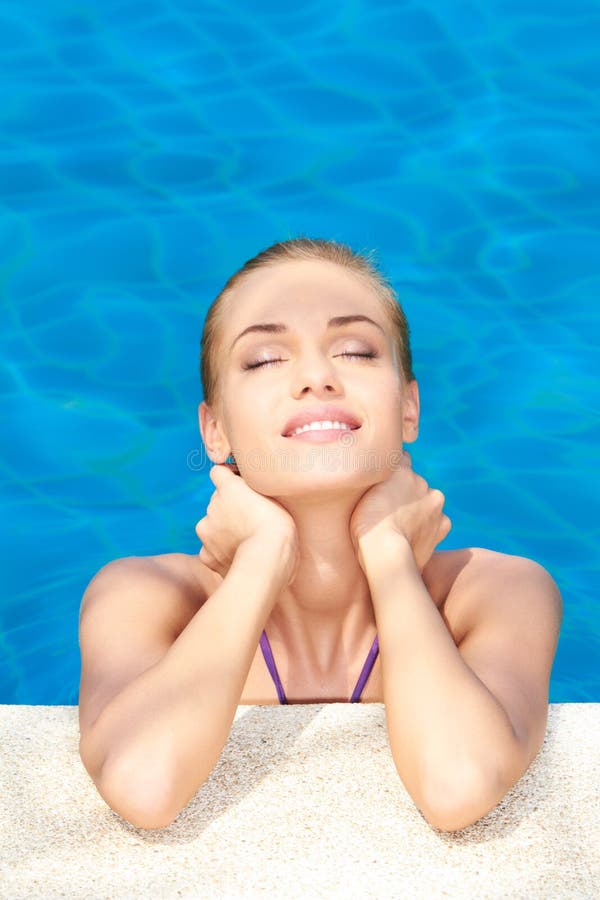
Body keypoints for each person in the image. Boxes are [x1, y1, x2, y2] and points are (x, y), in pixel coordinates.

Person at [78, 237, 563, 833]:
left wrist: (389, 556)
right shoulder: (144, 595)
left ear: (409, 408)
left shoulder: (497, 591)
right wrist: (262, 557)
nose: (315, 377)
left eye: (356, 351)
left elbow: (456, 785)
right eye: (263, 359)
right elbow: (143, 785)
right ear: (215, 431)